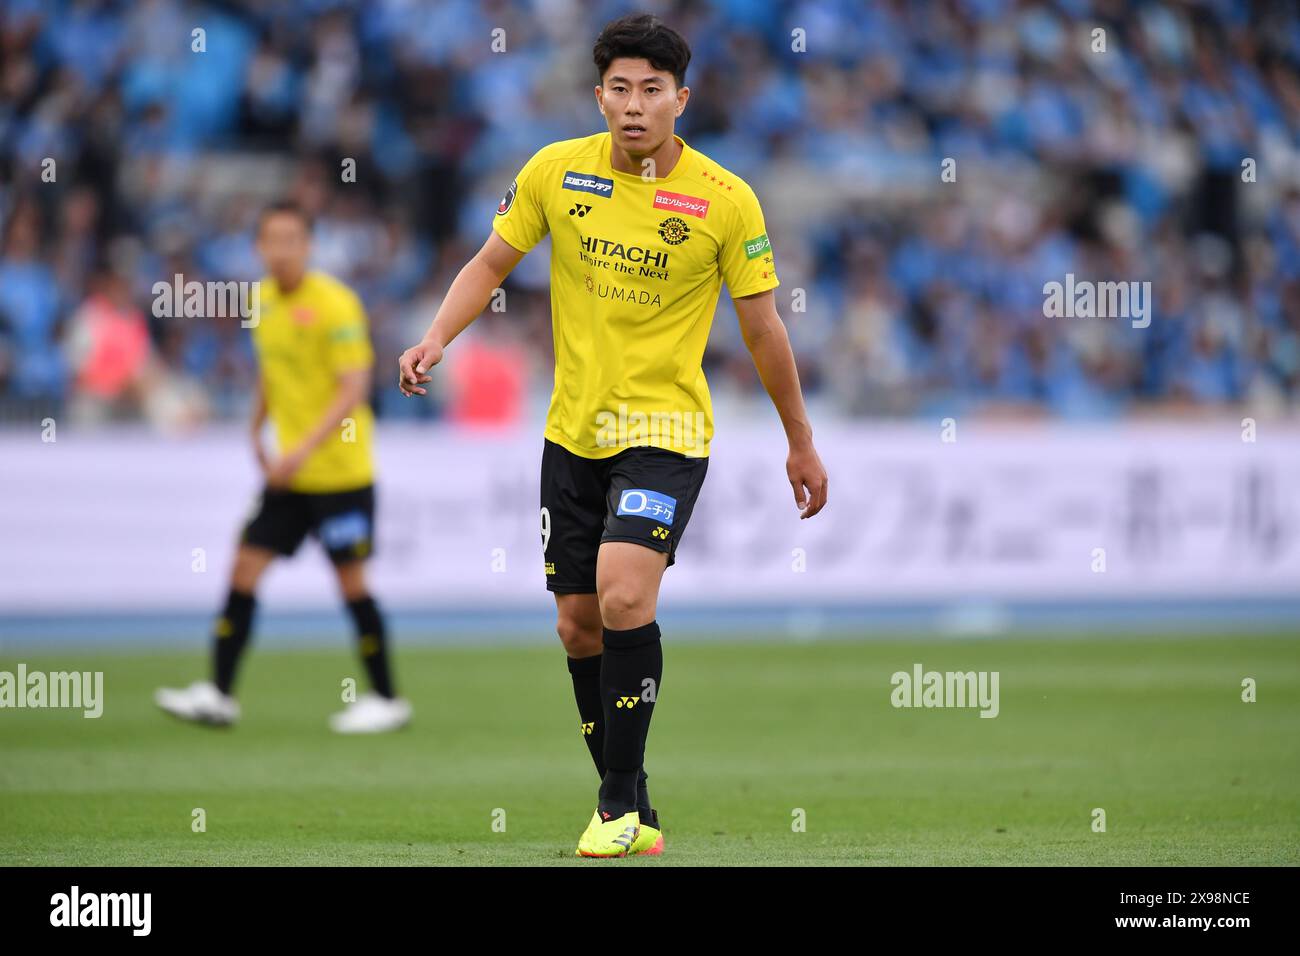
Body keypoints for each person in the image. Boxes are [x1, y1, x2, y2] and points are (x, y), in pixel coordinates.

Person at [398, 13, 827, 856]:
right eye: (620, 90)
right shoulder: (555, 173)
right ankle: (632, 802)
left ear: (682, 99)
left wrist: (799, 441)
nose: (635, 106)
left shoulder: (725, 200)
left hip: (666, 432)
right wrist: (436, 336)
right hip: (572, 435)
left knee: (627, 595)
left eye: (652, 91)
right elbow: (490, 263)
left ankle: (618, 803)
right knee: (579, 626)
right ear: (599, 96)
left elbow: (765, 329)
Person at [157, 201, 410, 734]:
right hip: (290, 477)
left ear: (309, 245)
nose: (282, 249)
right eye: (272, 239)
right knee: (243, 567)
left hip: (340, 473)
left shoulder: (335, 304)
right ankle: (218, 694)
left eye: (292, 239)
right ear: (258, 247)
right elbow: (273, 376)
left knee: (351, 582)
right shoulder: (264, 301)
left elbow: (353, 389)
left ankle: (387, 698)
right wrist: (256, 429)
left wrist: (299, 449)